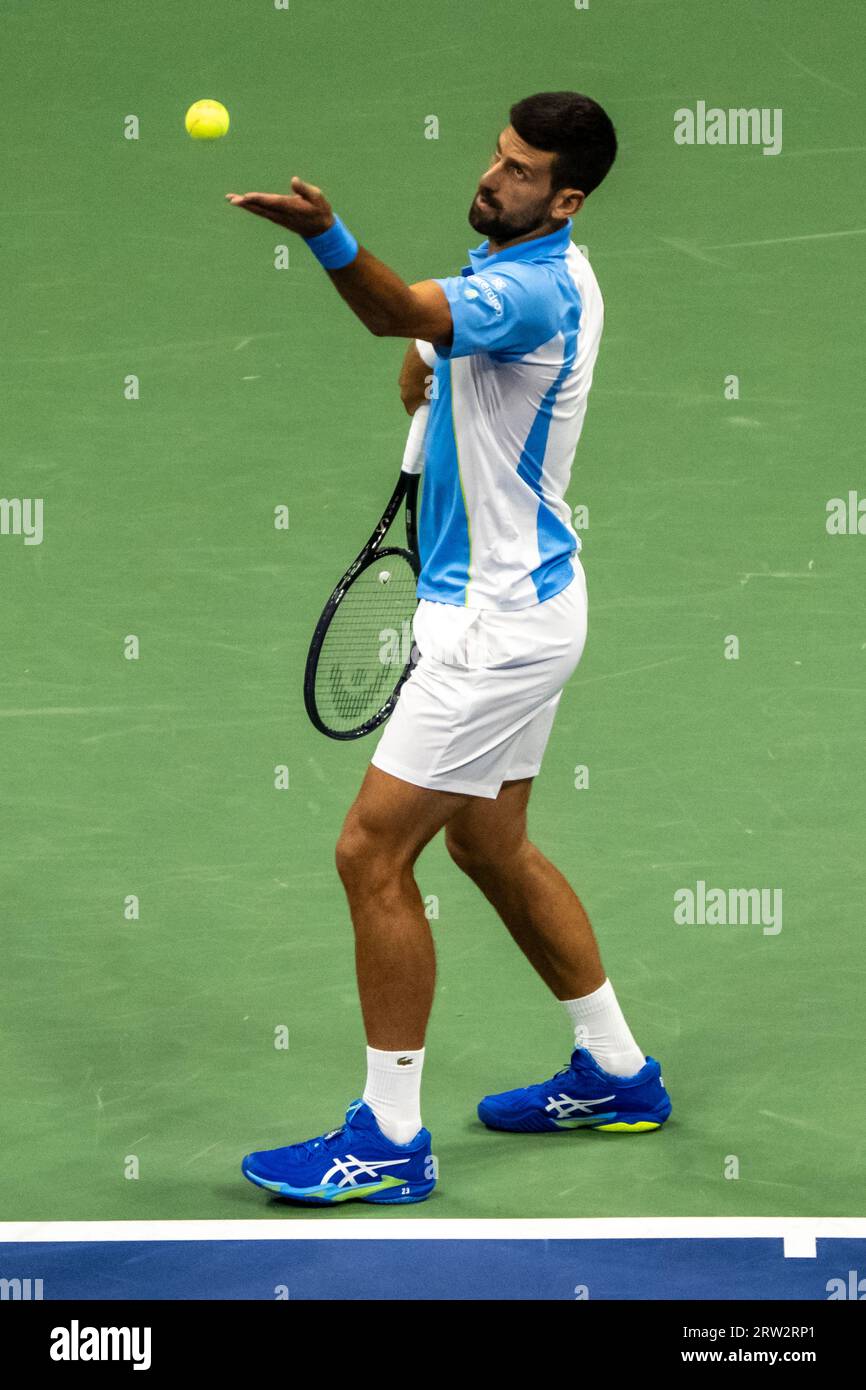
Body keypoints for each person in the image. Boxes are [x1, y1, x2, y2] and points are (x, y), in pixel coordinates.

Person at [228, 91, 671, 1207]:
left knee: (370, 855)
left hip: (491, 628)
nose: (493, 175)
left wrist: (324, 237)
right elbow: (427, 348)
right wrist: (431, 365)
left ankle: (386, 1137)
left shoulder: (523, 288)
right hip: (529, 607)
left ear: (565, 199)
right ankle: (616, 1069)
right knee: (488, 843)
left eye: (521, 170)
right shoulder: (524, 270)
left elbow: (392, 313)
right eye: (495, 154)